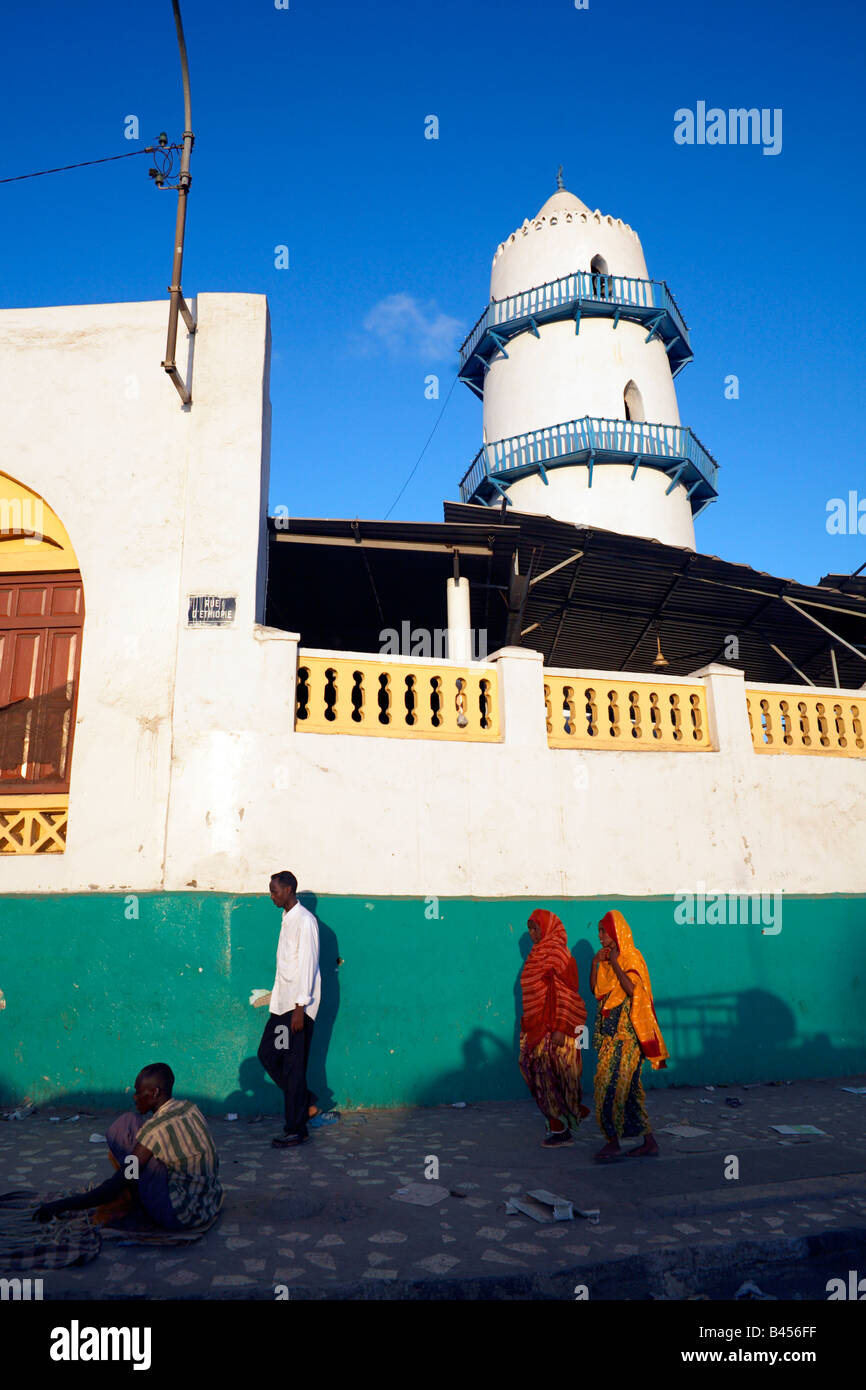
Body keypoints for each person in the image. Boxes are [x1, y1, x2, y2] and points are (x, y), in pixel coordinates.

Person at [34, 1063, 222, 1228]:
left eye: (138, 1092)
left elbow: (115, 1185)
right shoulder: (189, 1108)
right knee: (131, 1121)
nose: (134, 1097)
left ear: (155, 1093)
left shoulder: (154, 1131)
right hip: (206, 1204)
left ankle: (135, 1201)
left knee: (122, 1129)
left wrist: (60, 1205)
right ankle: (135, 1189)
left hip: (178, 1215)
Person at [590, 910, 668, 1161]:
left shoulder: (631, 957)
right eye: (599, 932)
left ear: (616, 932)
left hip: (628, 1039)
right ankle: (649, 1142)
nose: (601, 936)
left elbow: (634, 990)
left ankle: (613, 1143)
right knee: (631, 1092)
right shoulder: (604, 960)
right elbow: (595, 990)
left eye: (604, 931)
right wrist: (595, 962)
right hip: (610, 1037)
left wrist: (614, 962)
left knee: (609, 1087)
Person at [255, 870, 321, 1148]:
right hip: (282, 1005)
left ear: (290, 889)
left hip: (297, 1008)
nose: (272, 896)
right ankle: (303, 1100)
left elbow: (307, 964)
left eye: (275, 891)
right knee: (268, 1055)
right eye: (271, 891)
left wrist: (299, 1008)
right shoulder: (287, 919)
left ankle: (296, 1129)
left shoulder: (305, 921)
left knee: (294, 1067)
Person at [518, 908, 590, 1147]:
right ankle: (560, 1124)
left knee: (561, 1076)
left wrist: (560, 1026)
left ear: (547, 928)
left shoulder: (559, 954)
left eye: (535, 927)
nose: (531, 932)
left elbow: (567, 992)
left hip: (555, 1030)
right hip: (536, 1028)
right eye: (529, 928)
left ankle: (563, 1125)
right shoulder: (534, 955)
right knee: (538, 1076)